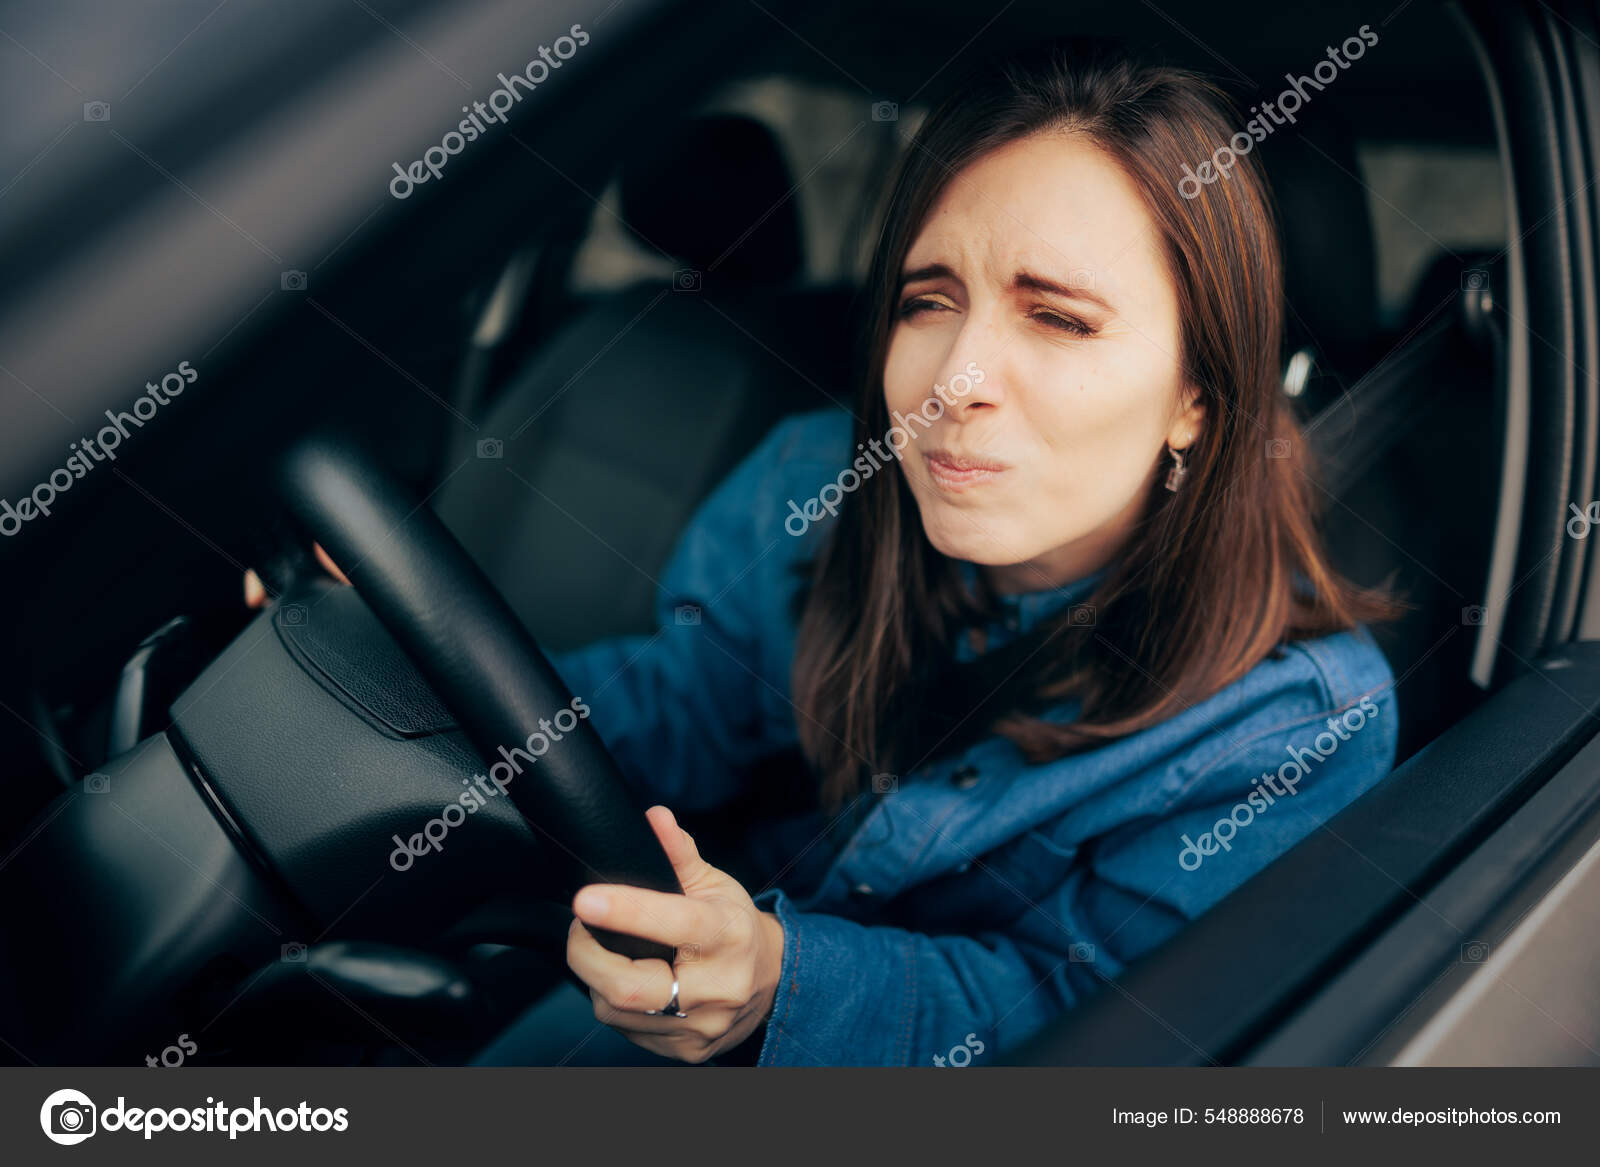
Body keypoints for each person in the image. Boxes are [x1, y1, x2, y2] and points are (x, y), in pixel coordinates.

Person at [268, 39, 1403, 1066]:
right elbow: (678, 708)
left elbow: (1094, 1016)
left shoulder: (1294, 722)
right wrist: (407, 658)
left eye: (1057, 318)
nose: (955, 382)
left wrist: (786, 986)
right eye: (928, 301)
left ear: (1195, 397)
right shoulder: (817, 479)